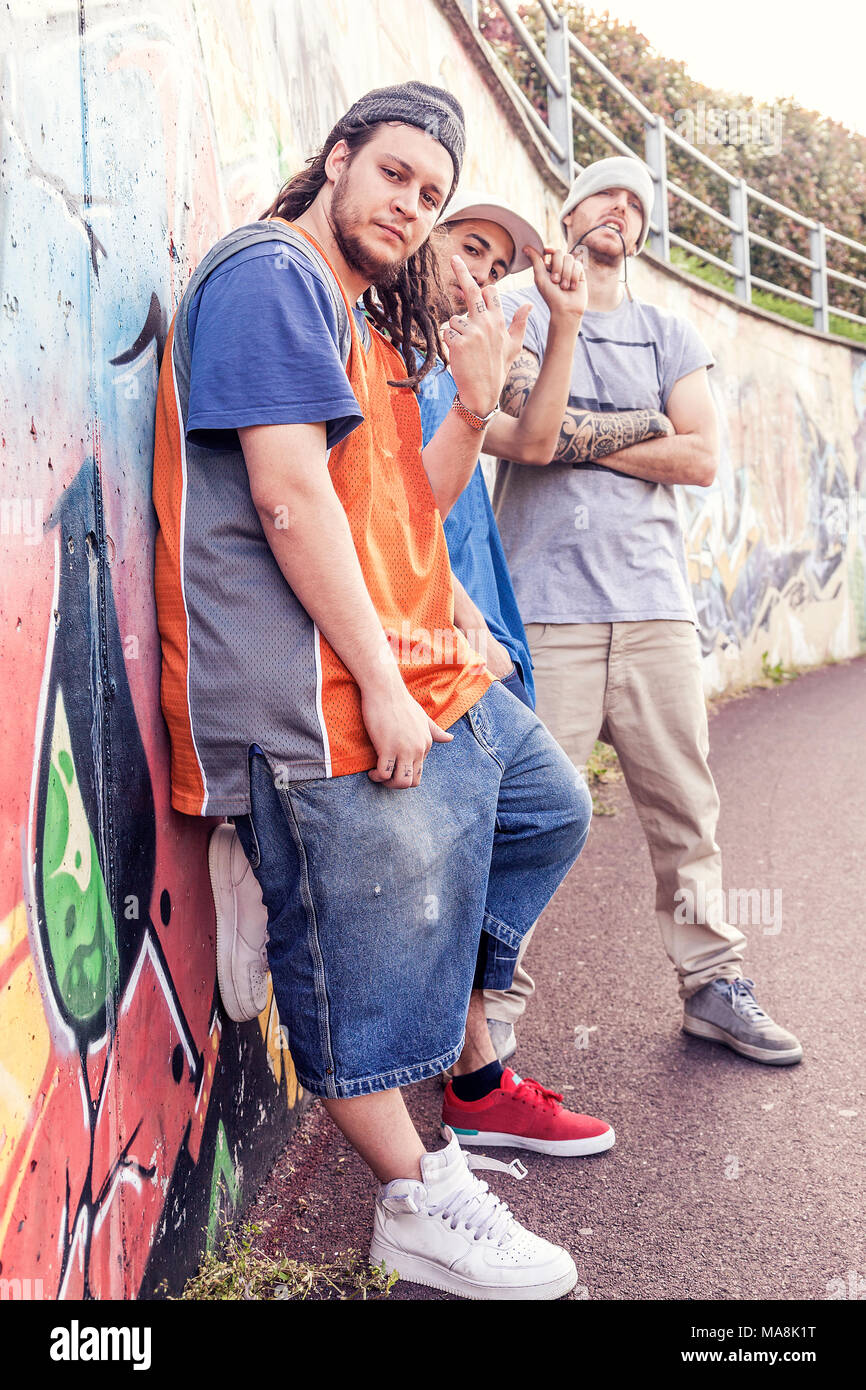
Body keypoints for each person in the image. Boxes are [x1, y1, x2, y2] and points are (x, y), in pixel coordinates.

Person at [153, 82, 604, 1301]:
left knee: (546, 805)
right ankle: (417, 1196)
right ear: (338, 156)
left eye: (431, 193)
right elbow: (287, 500)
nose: (410, 204)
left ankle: (336, 910)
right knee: (347, 978)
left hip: (407, 668)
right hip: (314, 697)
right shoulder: (271, 274)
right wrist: (380, 683)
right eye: (394, 173)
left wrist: (474, 388)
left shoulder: (354, 309)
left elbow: (417, 504)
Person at [490, 154, 803, 1067]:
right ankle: (491, 1009)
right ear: (570, 207)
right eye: (605, 193)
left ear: (641, 232)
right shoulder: (521, 310)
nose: (620, 209)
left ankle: (713, 986)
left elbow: (701, 457)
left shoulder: (668, 329)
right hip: (545, 608)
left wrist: (576, 440)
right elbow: (516, 434)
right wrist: (641, 428)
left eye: (637, 204)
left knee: (685, 810)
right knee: (526, 815)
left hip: (655, 608)